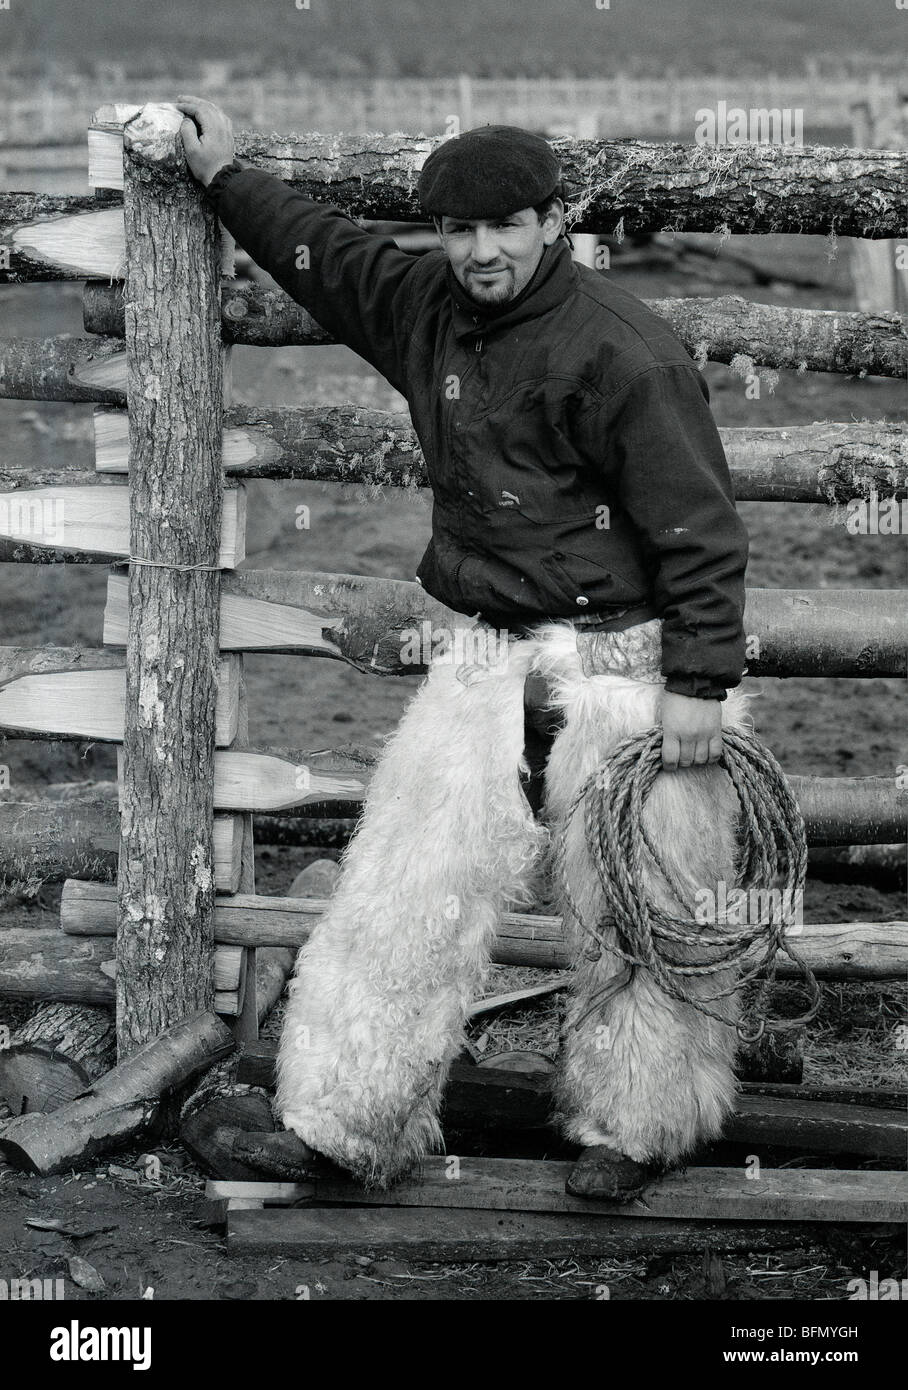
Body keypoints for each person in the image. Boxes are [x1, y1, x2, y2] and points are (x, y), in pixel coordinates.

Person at [176, 98, 751, 1198]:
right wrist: (223, 172)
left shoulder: (625, 351)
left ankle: (635, 1131)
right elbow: (323, 254)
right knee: (404, 891)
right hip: (485, 656)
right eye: (457, 230)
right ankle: (346, 1120)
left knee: (644, 908)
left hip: (628, 664)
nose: (480, 251)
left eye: (505, 226)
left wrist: (698, 685)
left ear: (551, 222)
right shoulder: (423, 307)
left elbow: (699, 527)